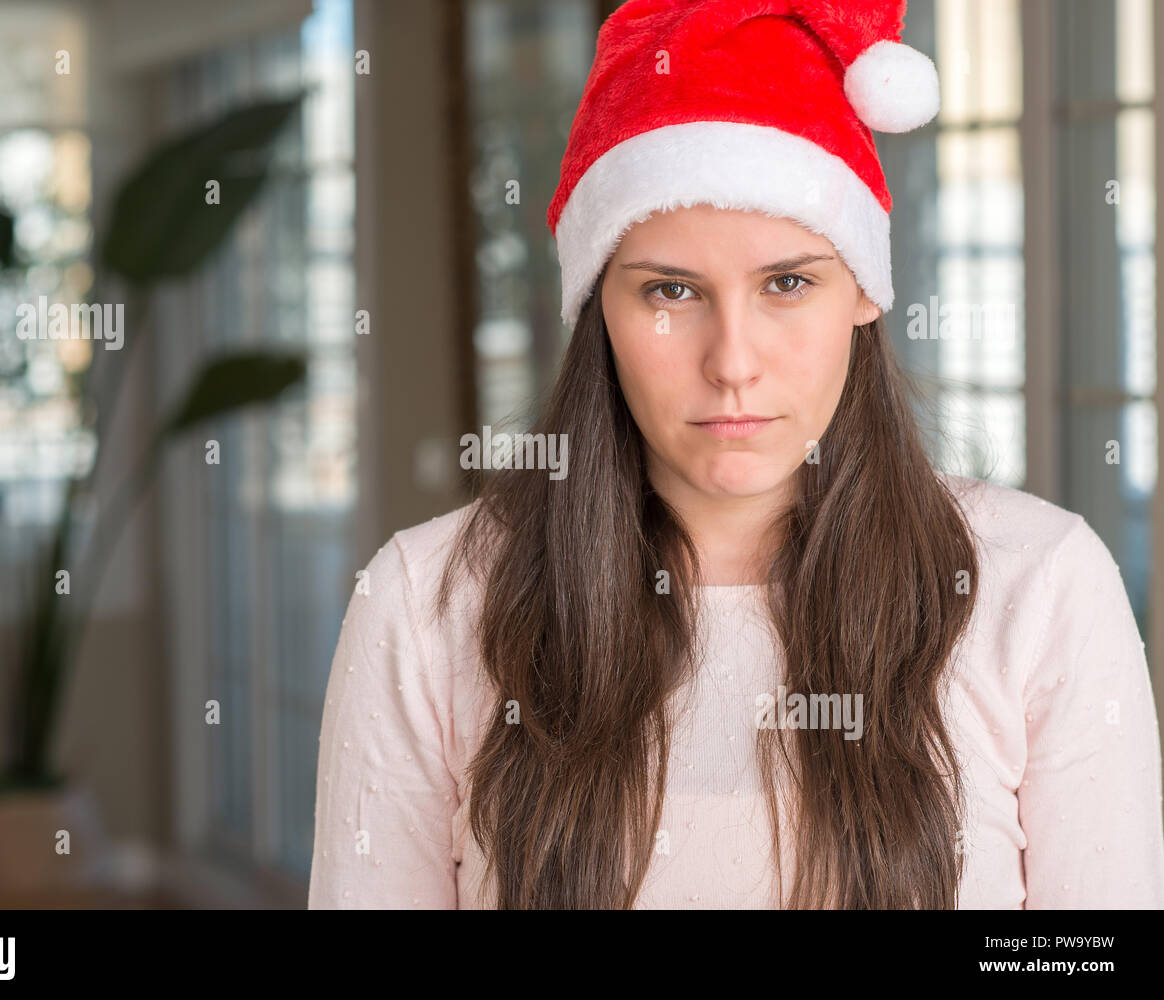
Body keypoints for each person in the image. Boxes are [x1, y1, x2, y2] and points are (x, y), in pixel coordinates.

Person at [308, 0, 1164, 909]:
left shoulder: (1040, 585)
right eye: (670, 291)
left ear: (864, 293)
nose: (733, 364)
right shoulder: (425, 600)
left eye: (788, 283)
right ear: (600, 305)